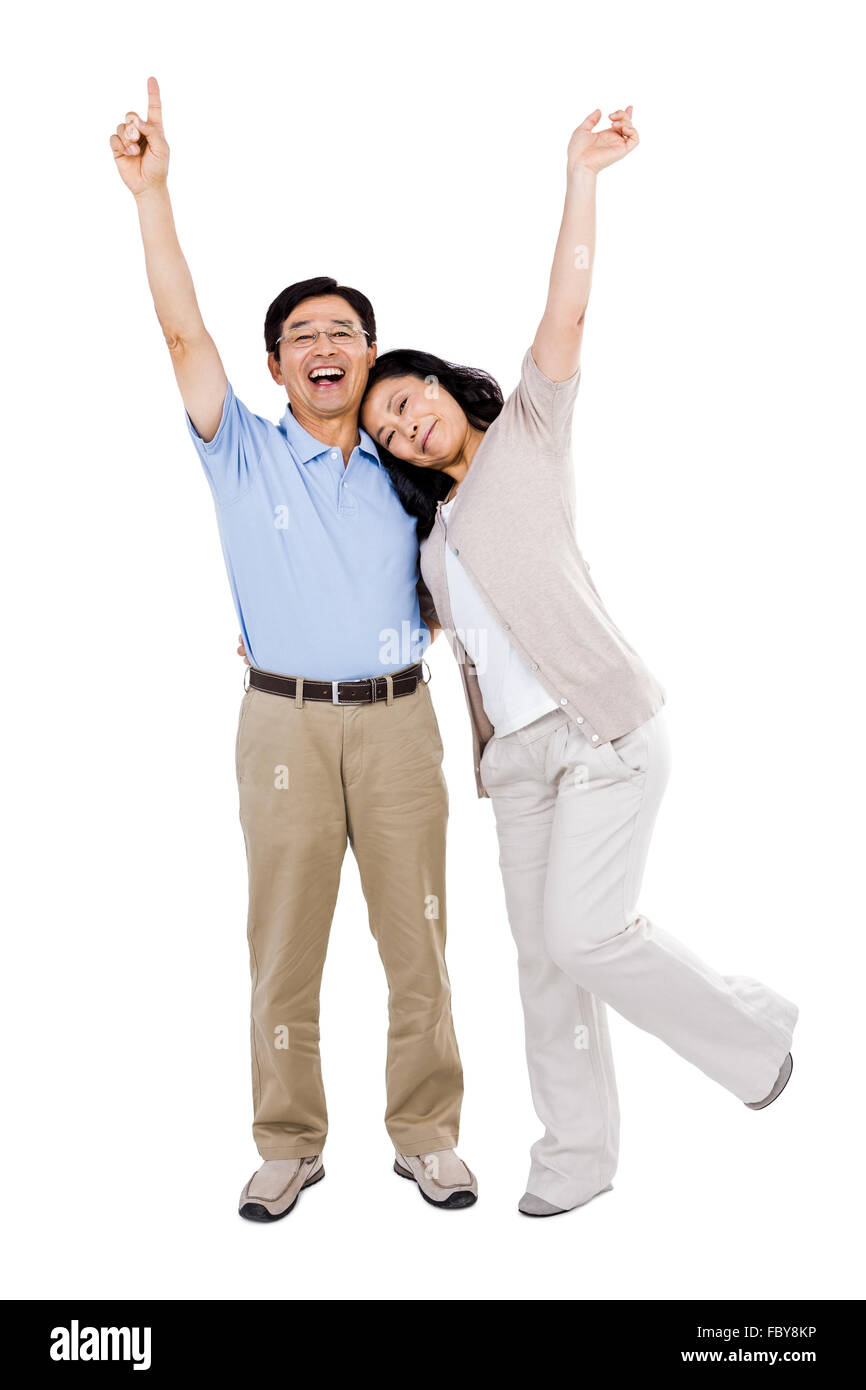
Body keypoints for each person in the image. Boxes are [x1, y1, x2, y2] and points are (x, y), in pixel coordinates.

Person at [360, 106, 799, 1218]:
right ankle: (573, 1160)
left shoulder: (528, 433)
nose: (405, 427)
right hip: (513, 767)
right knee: (543, 964)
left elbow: (567, 305)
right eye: (386, 431)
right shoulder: (427, 540)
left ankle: (750, 1033)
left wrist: (579, 176)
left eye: (407, 400)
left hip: (601, 730)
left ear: (444, 390)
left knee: (586, 931)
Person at [110, 77, 477, 1220]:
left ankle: (426, 1131)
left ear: (372, 359)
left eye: (344, 334)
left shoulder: (412, 462)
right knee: (284, 941)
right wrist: (151, 193)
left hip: (398, 720)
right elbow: (181, 326)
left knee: (417, 937)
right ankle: (288, 1139)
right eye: (302, 337)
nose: (325, 347)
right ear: (277, 368)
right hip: (279, 719)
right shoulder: (240, 451)